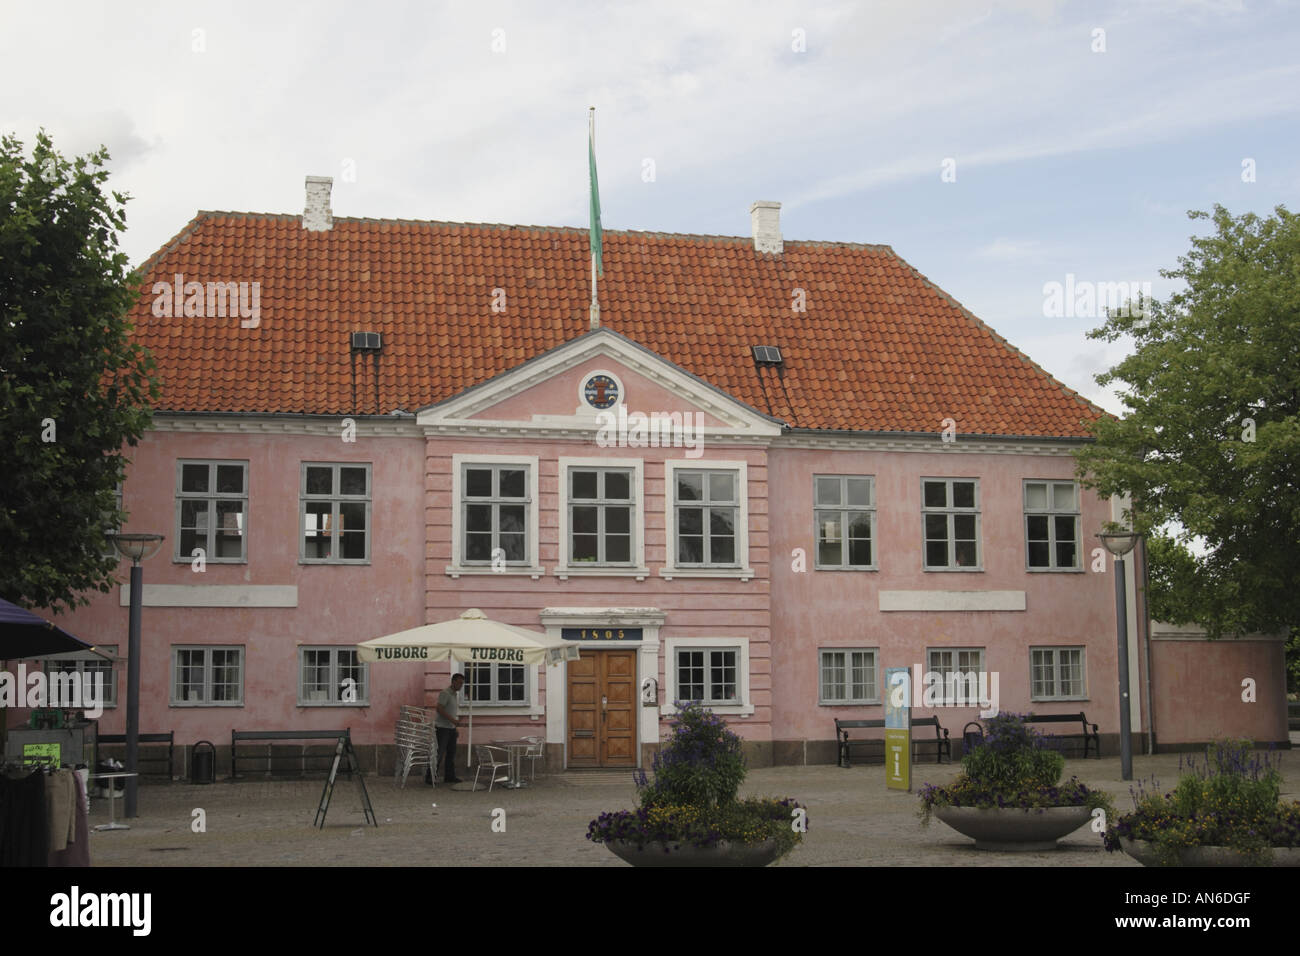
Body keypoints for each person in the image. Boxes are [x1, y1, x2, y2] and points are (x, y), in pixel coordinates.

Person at [431, 673, 465, 784]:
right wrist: (452, 721)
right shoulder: (445, 693)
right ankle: (430, 776)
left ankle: (449, 776)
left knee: (451, 753)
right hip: (442, 728)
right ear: (453, 681)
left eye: (462, 683)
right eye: (459, 683)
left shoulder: (455, 695)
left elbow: (452, 712)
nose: (461, 685)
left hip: (451, 728)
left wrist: (454, 726)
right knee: (439, 753)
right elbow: (439, 709)